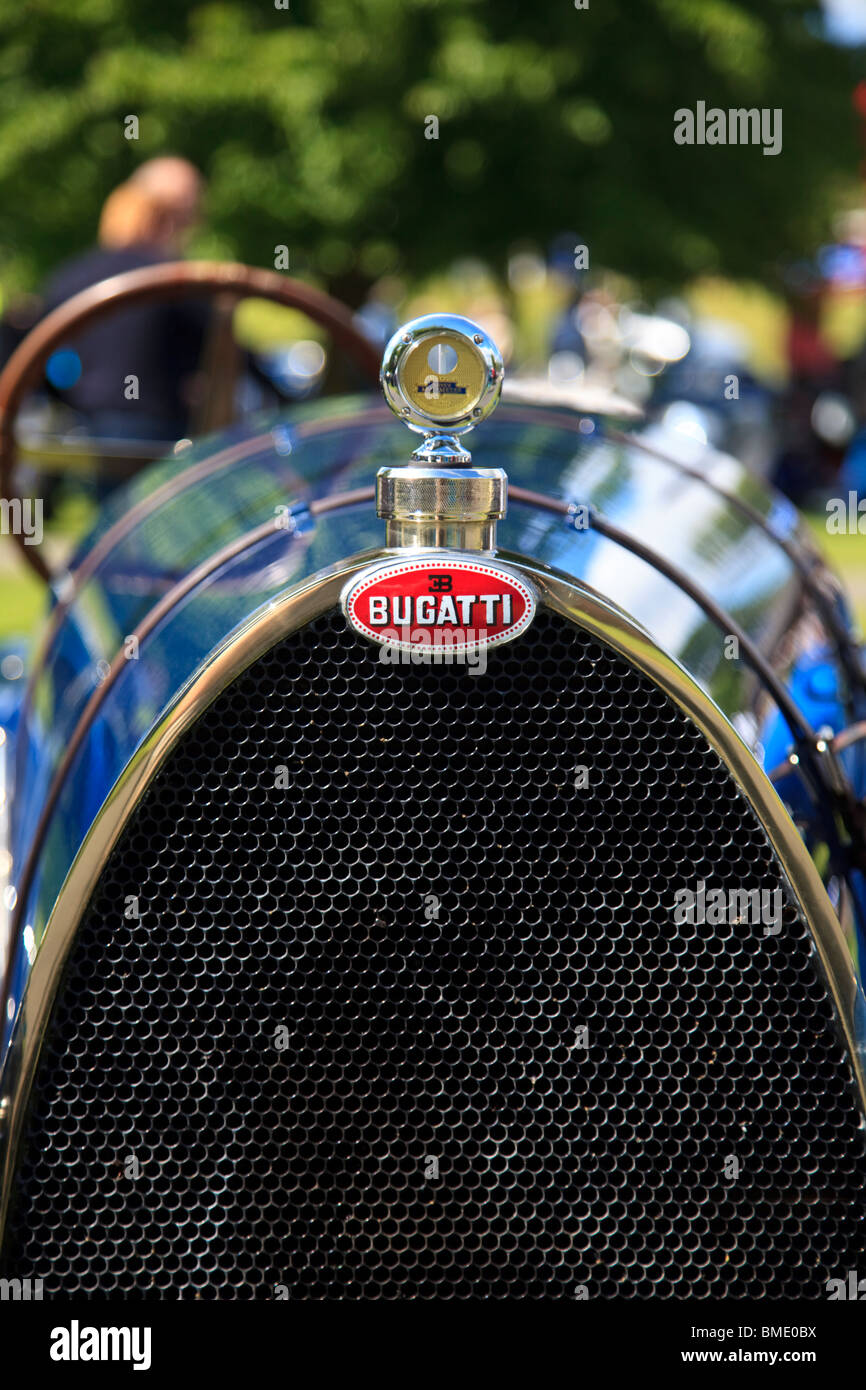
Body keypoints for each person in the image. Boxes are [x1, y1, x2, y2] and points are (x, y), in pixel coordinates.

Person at [41, 164, 208, 452]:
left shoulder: (71, 277)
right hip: (162, 431)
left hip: (84, 427)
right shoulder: (174, 279)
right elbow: (215, 350)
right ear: (162, 222)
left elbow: (45, 352)